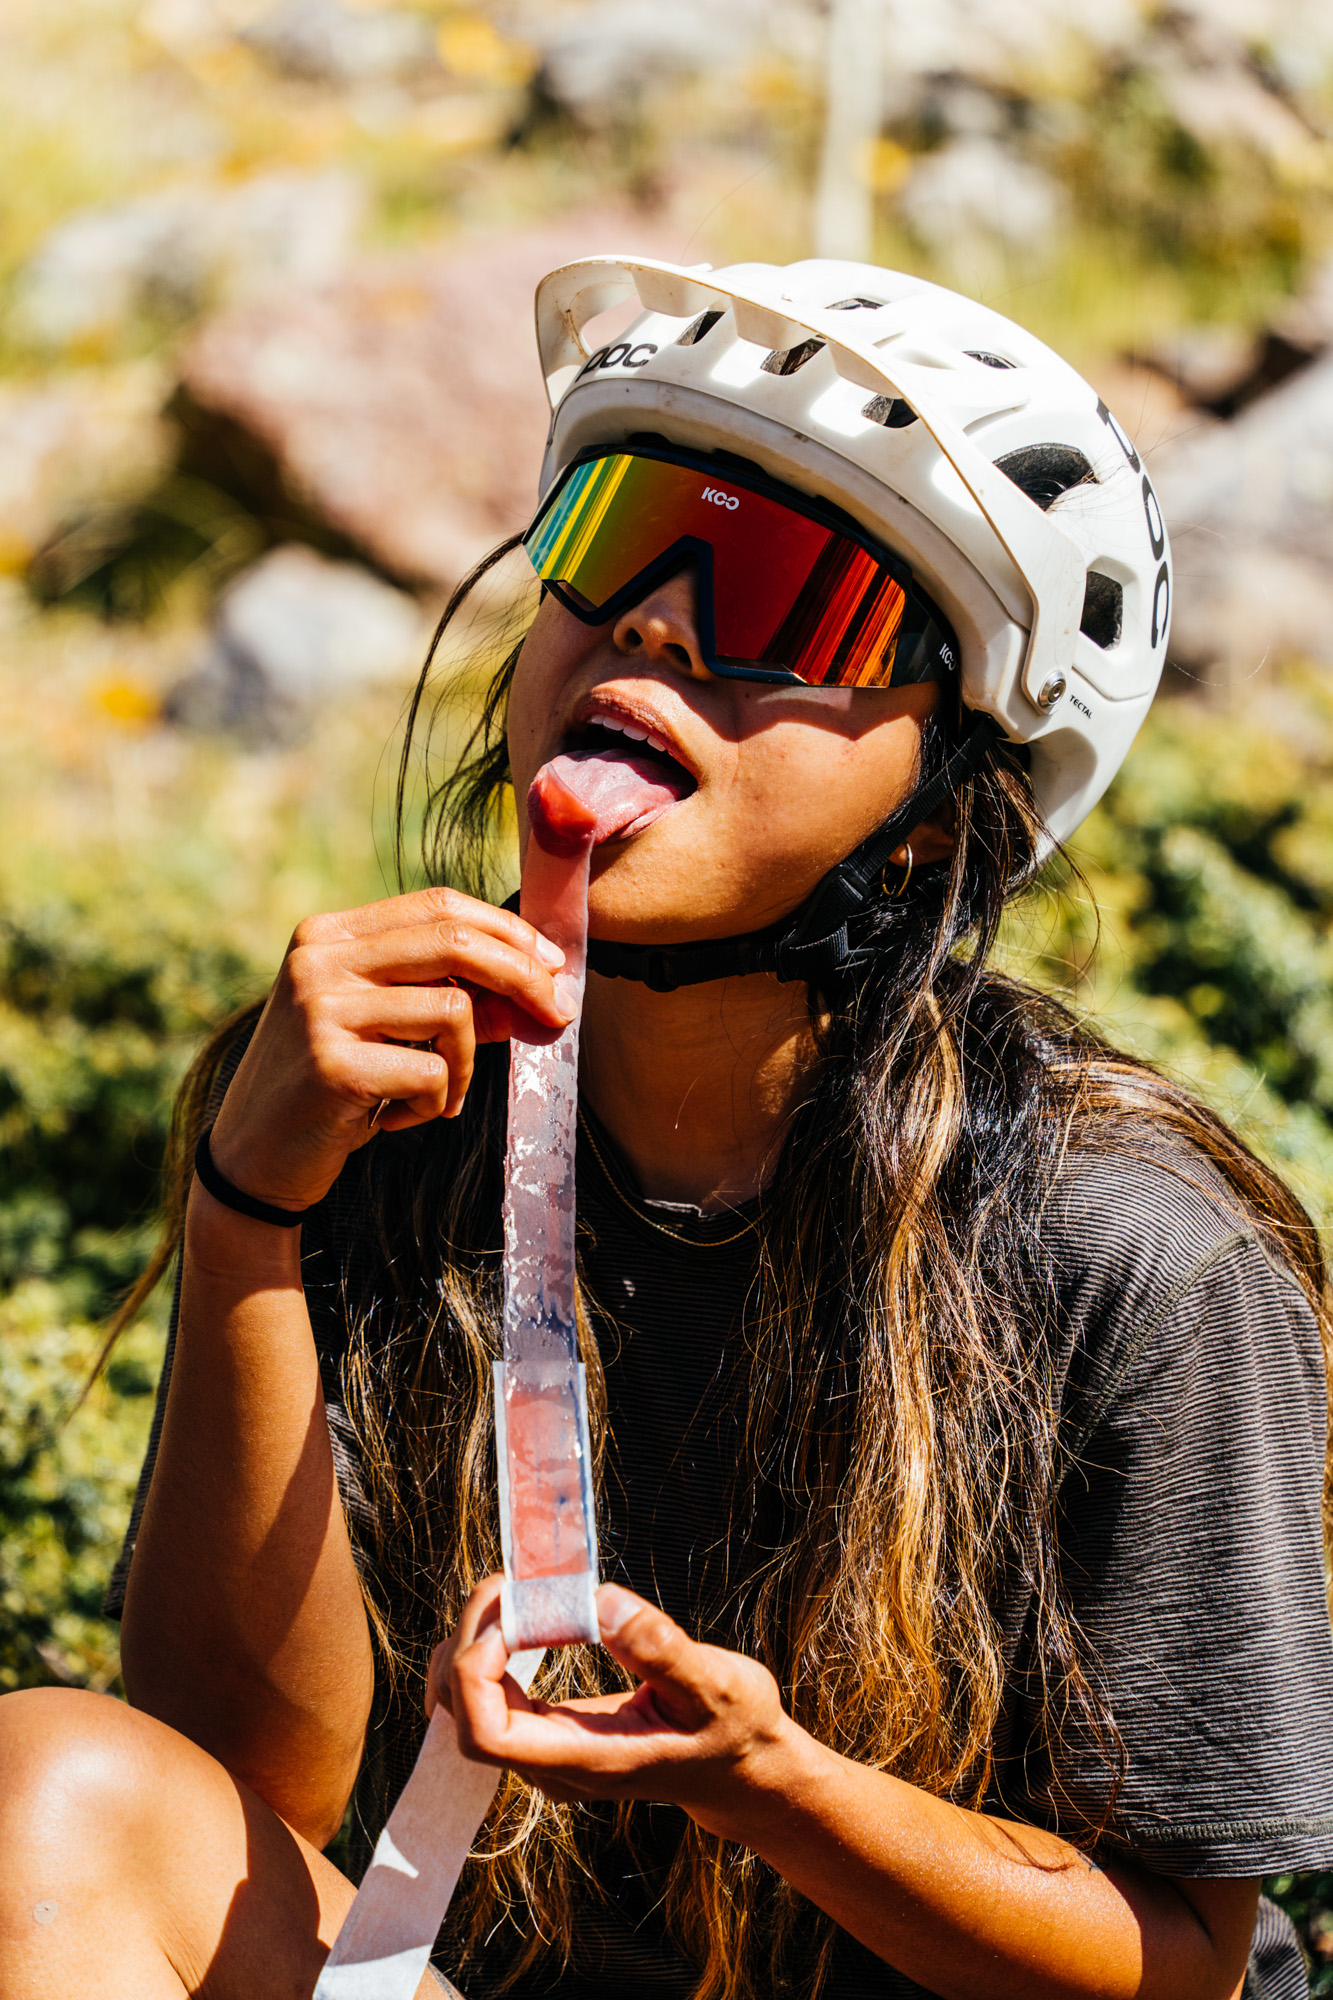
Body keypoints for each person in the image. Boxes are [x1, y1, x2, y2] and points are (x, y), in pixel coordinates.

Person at [0, 254, 1329, 2000]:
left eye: (800, 595)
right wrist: (251, 1209)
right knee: (55, 1793)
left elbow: (1182, 1968)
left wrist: (766, 1787)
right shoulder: (369, 1103)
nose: (663, 622)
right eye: (620, 534)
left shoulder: (1130, 1248)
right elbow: (248, 1796)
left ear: (936, 812)